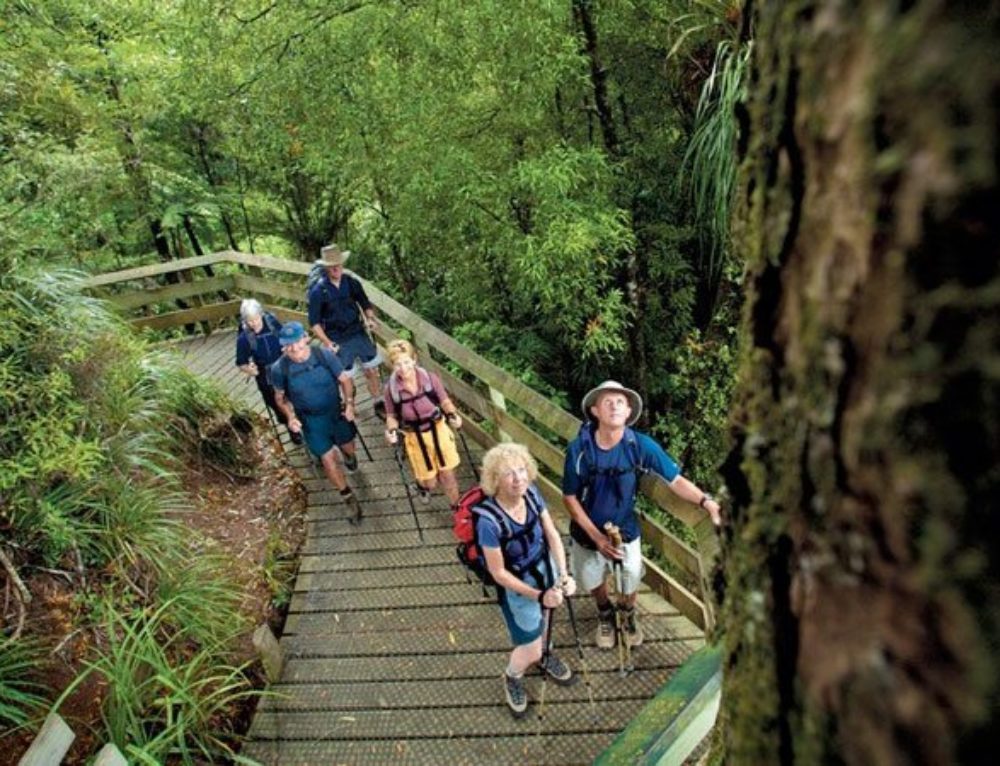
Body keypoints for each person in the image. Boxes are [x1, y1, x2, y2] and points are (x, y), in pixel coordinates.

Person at [562, 380, 721, 650]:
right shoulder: (579, 450)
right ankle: (605, 612)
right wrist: (597, 538)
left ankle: (627, 613)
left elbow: (675, 480)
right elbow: (569, 497)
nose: (614, 406)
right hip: (587, 532)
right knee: (591, 576)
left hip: (624, 529)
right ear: (595, 411)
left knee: (631, 575)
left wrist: (706, 502)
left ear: (628, 412)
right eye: (607, 402)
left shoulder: (639, 446)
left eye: (620, 402)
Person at [476, 442, 578, 718]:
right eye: (508, 473)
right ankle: (512, 675)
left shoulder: (531, 494)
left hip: (545, 570)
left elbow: (552, 534)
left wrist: (564, 573)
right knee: (529, 645)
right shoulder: (488, 523)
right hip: (517, 587)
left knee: (547, 620)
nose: (518, 478)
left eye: (521, 470)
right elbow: (498, 573)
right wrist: (539, 595)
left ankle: (545, 654)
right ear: (495, 480)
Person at [270, 321, 363, 521]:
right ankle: (347, 495)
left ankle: (349, 457)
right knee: (328, 458)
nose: (294, 348)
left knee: (348, 446)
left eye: (297, 341)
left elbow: (345, 380)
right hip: (311, 420)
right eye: (288, 344)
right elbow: (280, 398)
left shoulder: (323, 355)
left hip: (336, 412)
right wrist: (291, 417)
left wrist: (349, 404)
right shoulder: (279, 369)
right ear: (283, 346)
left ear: (305, 338)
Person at [382, 340, 463, 506]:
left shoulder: (430, 379)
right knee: (430, 483)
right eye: (398, 364)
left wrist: (453, 415)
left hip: (438, 431)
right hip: (415, 437)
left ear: (414, 359)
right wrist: (391, 431)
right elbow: (391, 416)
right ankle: (422, 486)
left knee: (448, 477)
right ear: (392, 365)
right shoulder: (391, 390)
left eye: (406, 362)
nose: (403, 368)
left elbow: (445, 401)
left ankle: (457, 509)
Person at [307, 243, 383, 412]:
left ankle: (378, 401)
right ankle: (350, 407)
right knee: (345, 376)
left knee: (371, 369)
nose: (336, 269)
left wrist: (370, 319)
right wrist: (327, 342)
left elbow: (364, 303)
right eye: (331, 266)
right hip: (337, 338)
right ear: (326, 268)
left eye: (338, 264)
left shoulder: (351, 283)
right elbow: (314, 323)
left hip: (358, 332)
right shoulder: (318, 291)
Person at [234, 299, 303, 445]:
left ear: (261, 314)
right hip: (266, 375)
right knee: (277, 404)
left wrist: (290, 349)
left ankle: (305, 422)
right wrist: (250, 370)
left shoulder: (272, 322)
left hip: (284, 365)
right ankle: (291, 428)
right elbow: (241, 363)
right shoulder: (244, 338)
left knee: (298, 395)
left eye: (256, 319)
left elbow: (285, 337)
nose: (254, 323)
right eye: (249, 321)